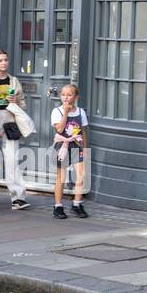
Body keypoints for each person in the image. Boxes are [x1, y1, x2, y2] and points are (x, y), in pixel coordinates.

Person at [0, 50, 30, 210]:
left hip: (10, 121)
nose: (4, 63)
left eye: (5, 60)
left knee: (12, 160)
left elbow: (22, 103)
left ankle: (18, 198)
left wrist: (16, 103)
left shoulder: (13, 81)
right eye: (0, 60)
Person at [51, 84, 89, 219]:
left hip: (77, 145)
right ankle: (58, 206)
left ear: (76, 97)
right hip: (63, 146)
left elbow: (83, 131)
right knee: (61, 177)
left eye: (69, 95)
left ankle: (77, 204)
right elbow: (59, 129)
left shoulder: (80, 112)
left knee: (81, 174)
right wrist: (66, 113)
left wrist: (85, 148)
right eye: (63, 95)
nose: (66, 97)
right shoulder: (57, 111)